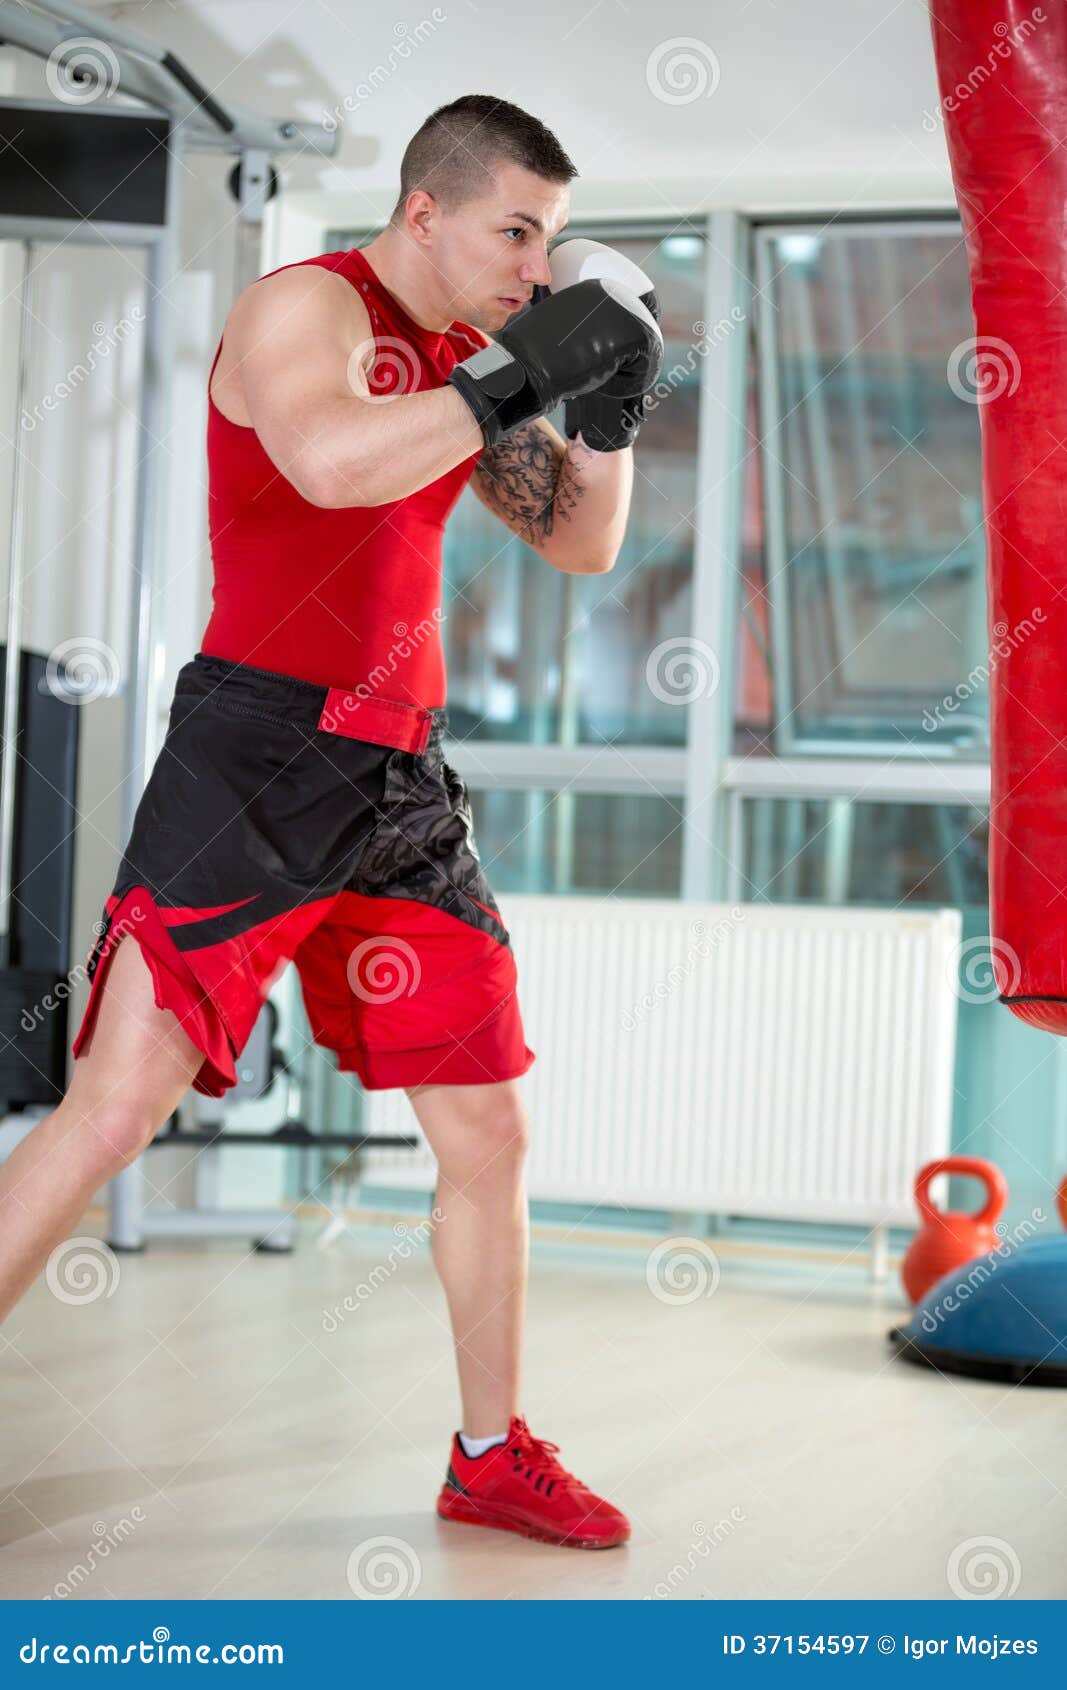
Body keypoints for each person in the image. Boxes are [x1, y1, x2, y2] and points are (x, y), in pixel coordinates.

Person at [0, 95, 661, 1551]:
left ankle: (490, 1449)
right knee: (114, 1109)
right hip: (254, 752)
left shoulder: (465, 362)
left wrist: (602, 420)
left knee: (486, 1125)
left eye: (550, 238)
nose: (537, 265)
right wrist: (515, 378)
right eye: (517, 231)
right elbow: (326, 462)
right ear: (426, 210)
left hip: (398, 779)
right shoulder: (305, 304)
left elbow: (582, 541)